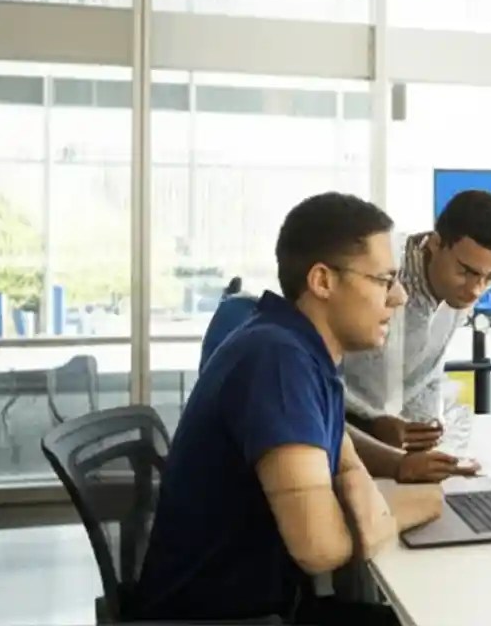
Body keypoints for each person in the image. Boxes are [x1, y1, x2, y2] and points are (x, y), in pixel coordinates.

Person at [134, 192, 444, 624]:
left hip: (264, 607)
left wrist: (378, 499)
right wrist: (428, 503)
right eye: (384, 280)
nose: (400, 297)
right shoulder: (278, 361)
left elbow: (348, 469)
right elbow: (320, 548)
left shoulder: (298, 347)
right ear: (322, 281)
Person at [342, 189, 491, 483]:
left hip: (391, 457)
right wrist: (369, 424)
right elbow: (314, 376)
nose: (476, 290)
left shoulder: (457, 292)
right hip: (339, 444)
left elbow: (426, 372)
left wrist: (431, 445)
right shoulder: (379, 270)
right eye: (466, 271)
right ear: (435, 244)